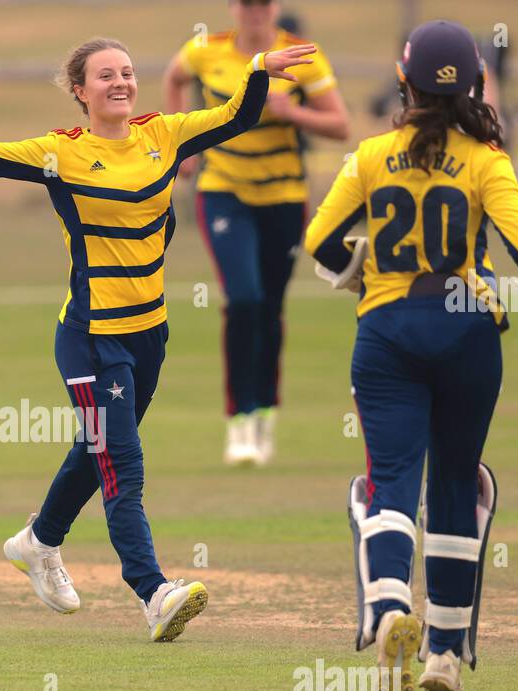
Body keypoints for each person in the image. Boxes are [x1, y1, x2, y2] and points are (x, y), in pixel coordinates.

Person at [0, 37, 315, 641]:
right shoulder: (58, 153)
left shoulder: (165, 135)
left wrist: (258, 69)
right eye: (105, 76)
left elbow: (237, 115)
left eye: (127, 72)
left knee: (96, 450)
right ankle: (153, 592)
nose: (120, 83)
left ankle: (38, 542)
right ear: (80, 91)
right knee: (122, 463)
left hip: (149, 336)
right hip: (91, 340)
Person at [303, 21, 518, 691]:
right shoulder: (487, 157)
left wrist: (355, 272)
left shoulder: (371, 154)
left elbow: (318, 241)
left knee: (392, 481)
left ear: (404, 83)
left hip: (388, 334)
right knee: (457, 481)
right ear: (477, 85)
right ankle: (442, 656)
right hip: (467, 333)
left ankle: (390, 606)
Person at [163, 0, 349, 466]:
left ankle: (265, 410)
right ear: (233, 8)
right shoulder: (207, 50)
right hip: (223, 191)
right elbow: (174, 77)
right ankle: (239, 420)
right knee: (242, 298)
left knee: (269, 306)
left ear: (275, 7)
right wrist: (178, 144)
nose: (254, 12)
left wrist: (293, 113)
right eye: (246, 4)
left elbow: (340, 125)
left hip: (284, 197)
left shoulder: (303, 55)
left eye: (262, 4)